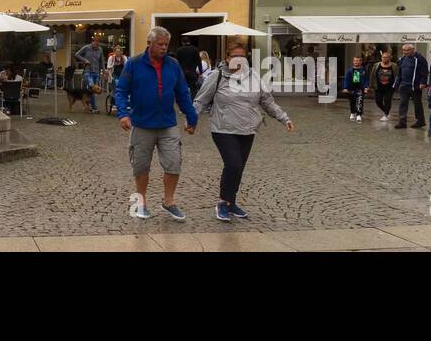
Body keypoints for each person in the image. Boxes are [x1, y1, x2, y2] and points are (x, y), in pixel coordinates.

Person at [194, 43, 294, 221]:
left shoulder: (253, 76)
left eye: (242, 56)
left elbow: (267, 101)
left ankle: (231, 202)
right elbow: (200, 101)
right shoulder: (217, 76)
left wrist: (284, 118)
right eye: (234, 56)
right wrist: (191, 120)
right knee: (233, 165)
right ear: (227, 58)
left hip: (247, 129)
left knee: (239, 168)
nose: (238, 60)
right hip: (223, 129)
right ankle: (223, 203)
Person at [114, 26, 198, 222]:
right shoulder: (134, 64)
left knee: (174, 163)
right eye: (160, 44)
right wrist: (123, 114)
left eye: (166, 44)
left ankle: (169, 202)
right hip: (142, 124)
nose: (163, 48)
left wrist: (191, 117)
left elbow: (183, 93)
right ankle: (141, 202)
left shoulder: (173, 64)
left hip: (168, 124)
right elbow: (121, 90)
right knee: (141, 167)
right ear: (149, 43)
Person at [394, 43, 428, 129]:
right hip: (404, 85)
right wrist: (397, 84)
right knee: (403, 103)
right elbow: (399, 72)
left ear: (412, 50)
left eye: (407, 50)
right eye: (404, 50)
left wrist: (423, 82)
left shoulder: (419, 58)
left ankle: (420, 121)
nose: (405, 52)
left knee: (417, 104)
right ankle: (402, 122)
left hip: (415, 86)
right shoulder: (402, 59)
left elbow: (424, 71)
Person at [73, 33, 104, 114]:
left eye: (97, 44)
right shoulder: (86, 48)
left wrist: (104, 72)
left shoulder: (100, 49)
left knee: (92, 91)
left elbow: (102, 61)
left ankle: (88, 107)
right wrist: (85, 60)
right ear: (92, 42)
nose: (96, 45)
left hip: (96, 72)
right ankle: (93, 107)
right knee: (92, 87)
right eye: (95, 43)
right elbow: (77, 54)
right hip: (87, 72)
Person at [368, 51, 396, 121]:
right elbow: (372, 75)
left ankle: (386, 115)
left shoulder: (394, 66)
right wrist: (370, 86)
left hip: (390, 87)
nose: (384, 59)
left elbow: (397, 76)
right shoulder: (376, 65)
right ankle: (386, 111)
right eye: (383, 57)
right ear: (381, 58)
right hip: (378, 87)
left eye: (386, 57)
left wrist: (397, 85)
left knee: (387, 100)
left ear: (390, 58)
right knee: (378, 101)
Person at [342, 55, 368, 122]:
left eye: (357, 60)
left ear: (361, 62)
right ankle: (352, 112)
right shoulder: (349, 71)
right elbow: (346, 79)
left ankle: (359, 115)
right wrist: (345, 88)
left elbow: (366, 79)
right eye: (354, 60)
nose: (356, 62)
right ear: (353, 62)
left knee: (359, 101)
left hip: (360, 88)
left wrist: (366, 87)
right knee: (352, 101)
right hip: (351, 88)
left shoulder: (364, 70)